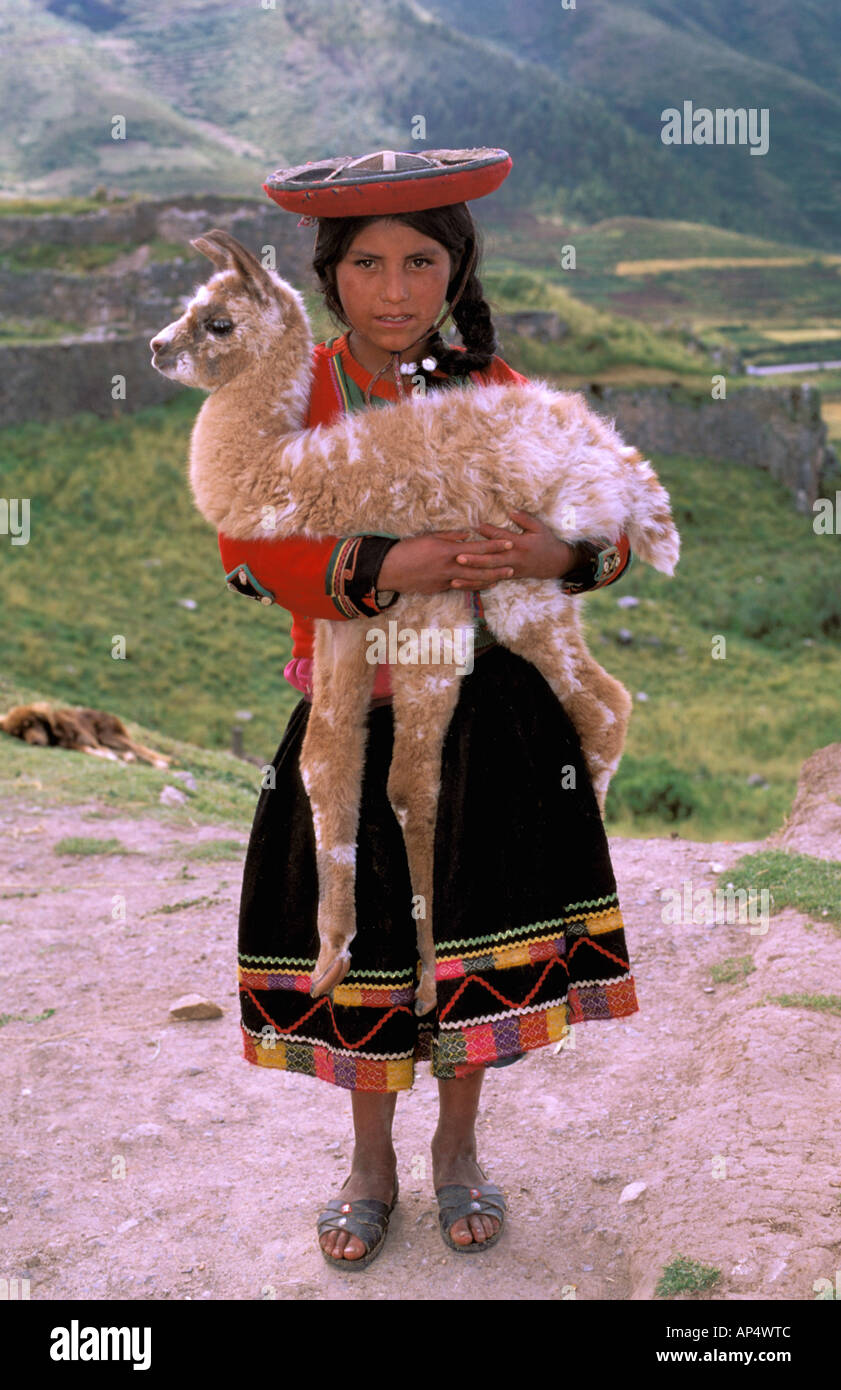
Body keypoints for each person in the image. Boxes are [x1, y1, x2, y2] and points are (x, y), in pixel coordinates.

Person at [217, 149, 640, 1268]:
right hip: (353, 722)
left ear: (456, 270)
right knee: (364, 958)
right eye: (366, 262)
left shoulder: (497, 392)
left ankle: (457, 1149)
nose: (394, 289)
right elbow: (248, 548)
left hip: (492, 721)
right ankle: (370, 1162)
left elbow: (615, 517)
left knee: (468, 952)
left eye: (421, 259)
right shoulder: (292, 389)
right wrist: (394, 558)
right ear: (329, 271)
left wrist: (555, 550)